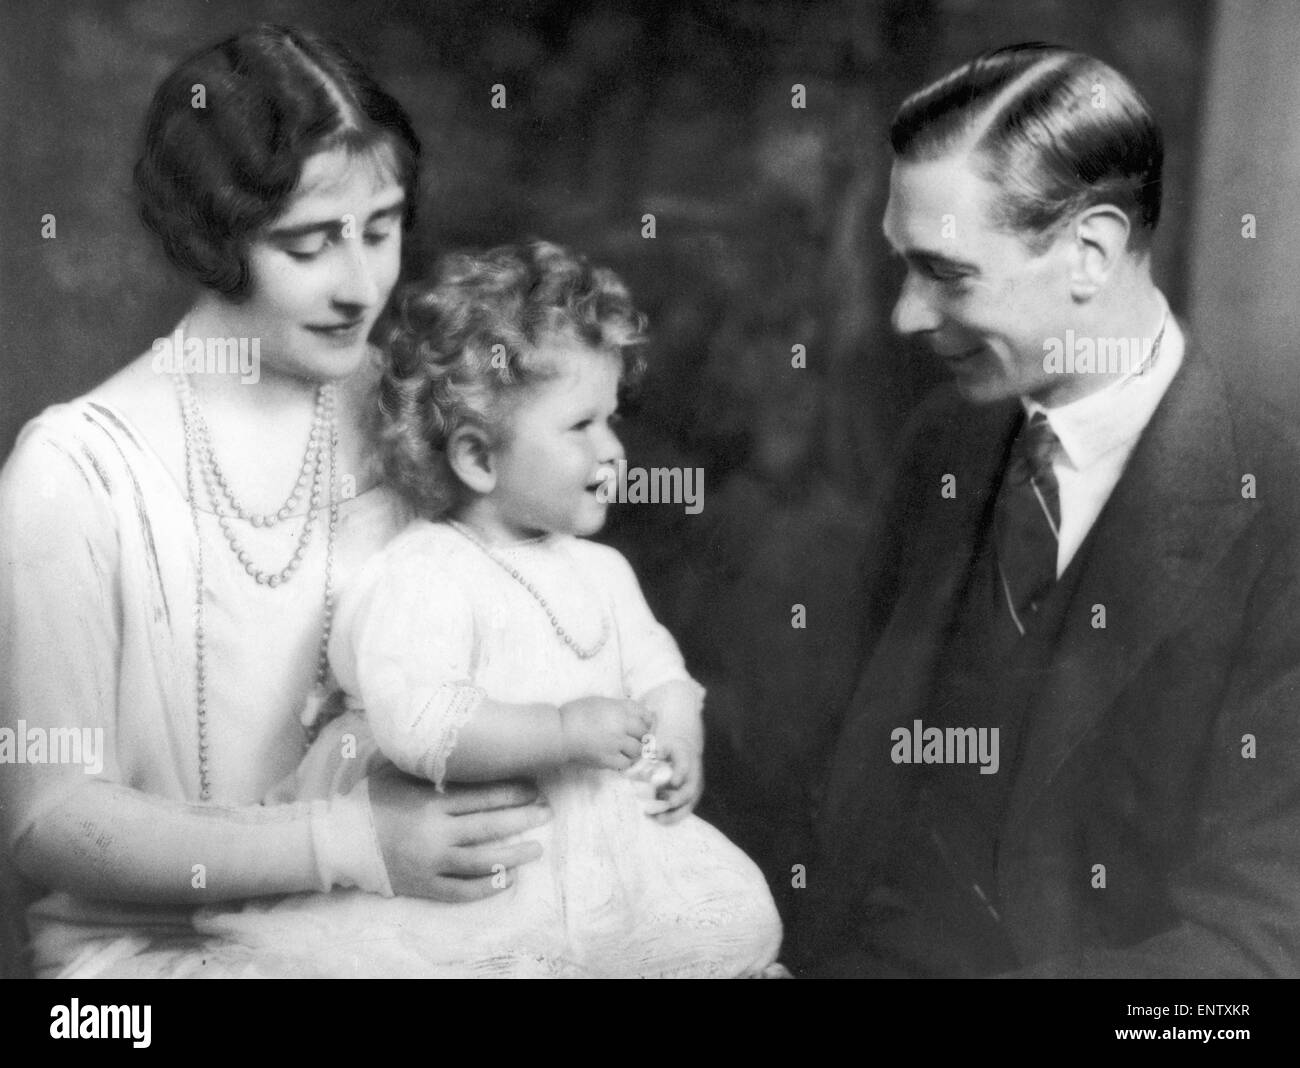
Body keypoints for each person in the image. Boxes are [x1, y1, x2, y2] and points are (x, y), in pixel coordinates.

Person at [0, 24, 551, 980]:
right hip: (143, 966)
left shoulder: (421, 411)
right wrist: (347, 842)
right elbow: (48, 820)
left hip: (393, 931)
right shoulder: (74, 471)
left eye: (381, 230)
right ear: (214, 240)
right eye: (307, 245)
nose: (361, 284)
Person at [796, 43, 1300, 977]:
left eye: (946, 274)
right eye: (904, 269)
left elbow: (1258, 955)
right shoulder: (942, 444)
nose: (906, 315)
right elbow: (842, 798)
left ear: (1091, 251)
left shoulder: (1281, 516)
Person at [191, 241, 785, 978]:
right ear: (478, 457)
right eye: (581, 426)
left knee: (739, 918)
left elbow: (659, 668)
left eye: (612, 418)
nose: (613, 450)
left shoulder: (602, 570)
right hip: (495, 864)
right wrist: (562, 731)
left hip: (613, 853)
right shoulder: (428, 572)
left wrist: (676, 731)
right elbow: (421, 724)